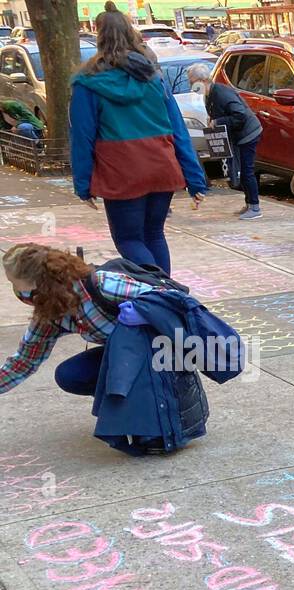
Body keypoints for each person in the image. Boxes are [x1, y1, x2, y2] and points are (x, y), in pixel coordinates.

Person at [0, 244, 219, 453]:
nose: (14, 289)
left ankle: (159, 410)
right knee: (70, 375)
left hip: (161, 353)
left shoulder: (102, 284)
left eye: (14, 282)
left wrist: (144, 312)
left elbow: (176, 300)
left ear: (36, 282)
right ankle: (134, 409)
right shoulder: (51, 309)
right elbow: (24, 360)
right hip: (126, 355)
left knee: (153, 439)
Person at [71, 6, 206, 274]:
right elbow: (178, 128)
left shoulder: (87, 84)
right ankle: (165, 292)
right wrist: (194, 178)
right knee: (154, 234)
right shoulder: (154, 78)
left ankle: (159, 291)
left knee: (129, 239)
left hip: (120, 171)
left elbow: (81, 137)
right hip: (161, 164)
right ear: (131, 33)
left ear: (98, 36)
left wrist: (83, 184)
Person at [187, 62, 262, 219]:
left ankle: (254, 207)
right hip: (240, 135)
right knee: (242, 171)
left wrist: (218, 122)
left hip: (248, 133)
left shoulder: (220, 92)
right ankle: (249, 204)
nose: (190, 85)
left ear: (203, 80)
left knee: (247, 171)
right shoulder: (211, 93)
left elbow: (240, 115)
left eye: (192, 81)